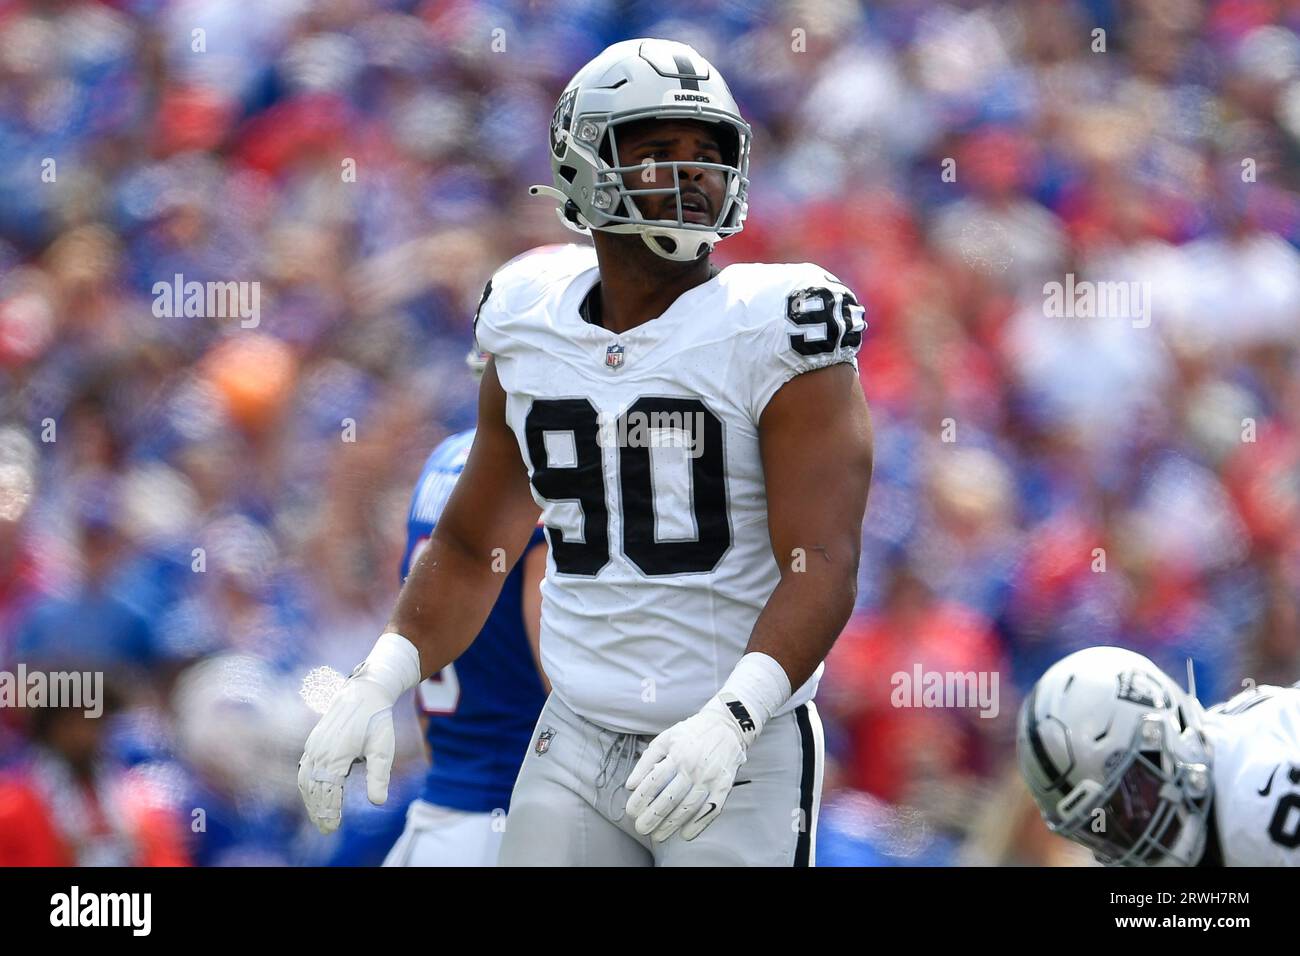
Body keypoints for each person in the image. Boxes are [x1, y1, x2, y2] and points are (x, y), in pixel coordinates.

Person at [299, 37, 873, 866]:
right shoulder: (529, 316)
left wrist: (734, 716)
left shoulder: (781, 323)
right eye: (657, 152)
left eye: (709, 153)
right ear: (583, 166)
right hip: (571, 739)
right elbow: (472, 542)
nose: (693, 174)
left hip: (734, 753)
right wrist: (379, 678)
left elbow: (824, 561)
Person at [381, 348, 550, 866]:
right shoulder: (542, 475)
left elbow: (423, 631)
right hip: (513, 820)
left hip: (443, 808)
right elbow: (563, 675)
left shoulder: (443, 461)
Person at [1018, 645, 1300, 866]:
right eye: (1099, 825)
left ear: (1169, 729)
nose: (1129, 825)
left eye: (1132, 787)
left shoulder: (1260, 801)